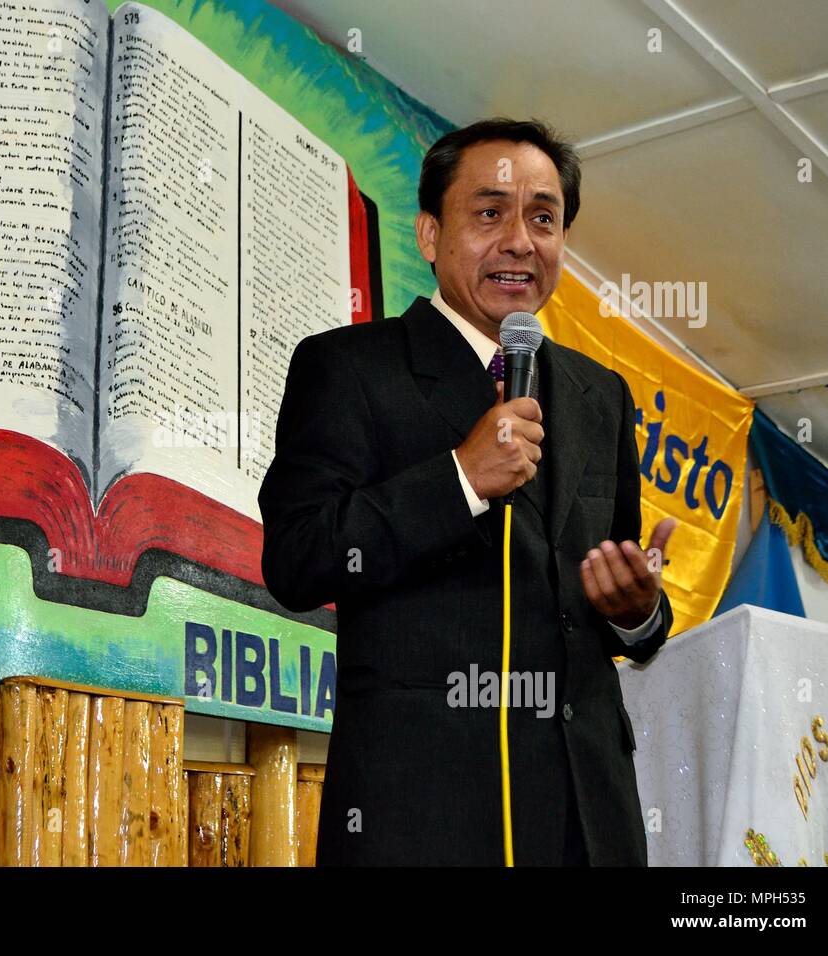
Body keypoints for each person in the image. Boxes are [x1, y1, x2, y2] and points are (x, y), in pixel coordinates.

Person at [257, 118, 677, 866]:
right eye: (490, 213)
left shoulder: (599, 394)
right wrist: (457, 480)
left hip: (588, 816)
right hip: (423, 812)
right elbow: (298, 559)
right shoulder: (349, 366)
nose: (520, 240)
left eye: (543, 218)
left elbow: (609, 589)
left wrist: (639, 612)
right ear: (428, 235)